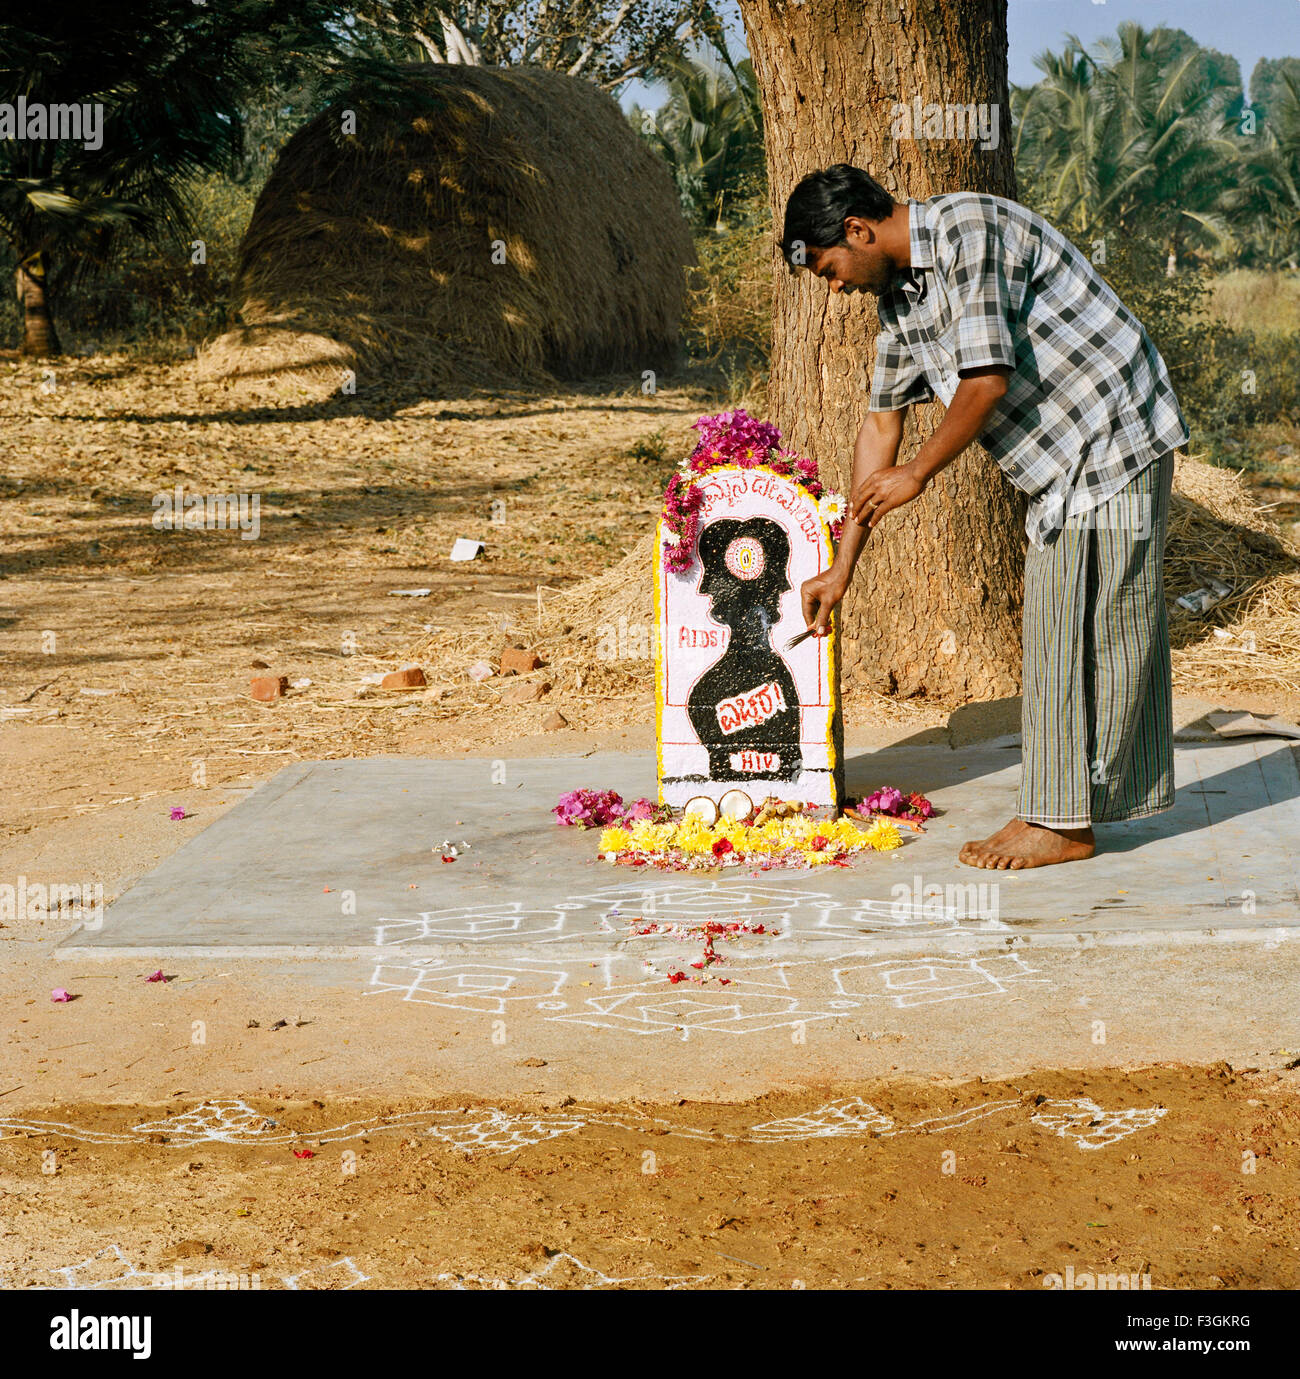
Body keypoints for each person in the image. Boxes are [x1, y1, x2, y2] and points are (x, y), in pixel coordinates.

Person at [783, 164, 1189, 870]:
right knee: (1059, 630)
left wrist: (919, 473)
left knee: (1112, 627)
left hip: (1117, 426)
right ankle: (1059, 813)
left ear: (857, 229)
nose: (837, 286)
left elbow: (985, 381)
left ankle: (1065, 821)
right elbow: (880, 427)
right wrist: (842, 563)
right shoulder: (901, 303)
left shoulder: (969, 231)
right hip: (1061, 462)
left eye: (830, 269)